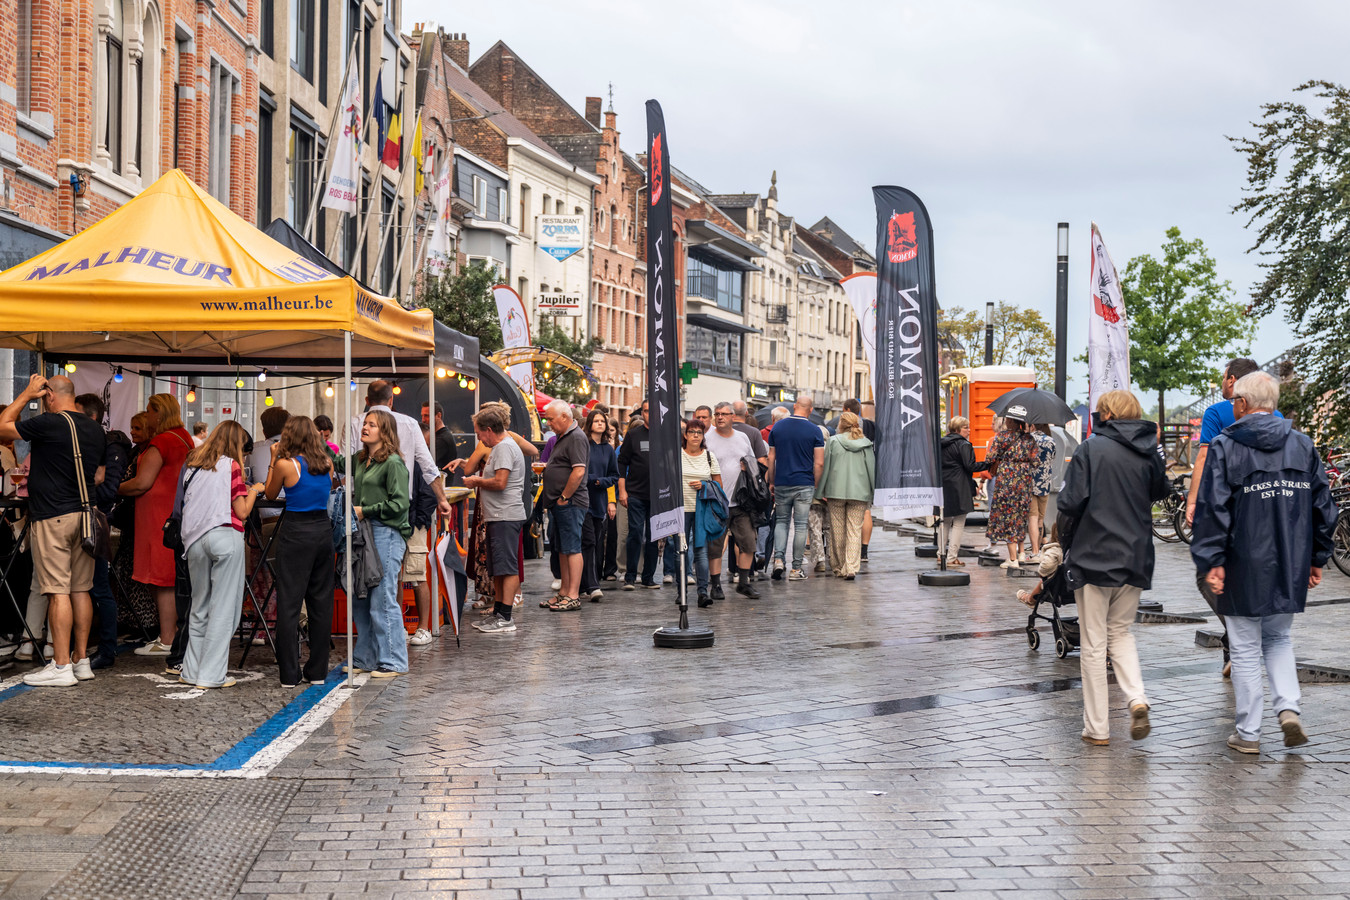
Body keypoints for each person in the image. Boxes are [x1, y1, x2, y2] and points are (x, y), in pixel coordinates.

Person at [1191, 372, 1338, 753]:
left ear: (1241, 402)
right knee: (1278, 638)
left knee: (1243, 647)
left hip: (1242, 560)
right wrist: (1317, 556)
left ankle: (1249, 733)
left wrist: (1212, 560)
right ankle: (1288, 707)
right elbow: (1324, 507)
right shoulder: (1302, 445)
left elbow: (1213, 508)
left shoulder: (1226, 446)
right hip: (1289, 559)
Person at [1056, 389, 1169, 747]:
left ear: (1105, 414)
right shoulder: (1149, 450)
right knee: (1121, 634)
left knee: (1092, 645)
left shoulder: (1091, 448)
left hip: (1093, 554)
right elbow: (1159, 491)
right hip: (1134, 554)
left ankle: (1097, 728)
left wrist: (1063, 542)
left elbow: (1071, 503)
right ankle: (1136, 697)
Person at [0, 375, 105, 687]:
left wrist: (25, 394)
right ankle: (81, 660)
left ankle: (60, 666)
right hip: (86, 516)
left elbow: (3, 425)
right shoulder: (94, 429)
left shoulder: (49, 422)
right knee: (81, 589)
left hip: (53, 516)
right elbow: (98, 475)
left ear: (49, 397)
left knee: (57, 590)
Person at [1185, 357, 1280, 675]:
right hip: (1265, 510)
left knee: (1207, 574)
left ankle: (1239, 637)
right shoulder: (1277, 416)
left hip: (1222, 506)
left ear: (1234, 381)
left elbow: (1203, 456)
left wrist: (1193, 501)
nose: (1223, 384)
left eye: (1224, 378)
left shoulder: (1216, 412)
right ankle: (1238, 641)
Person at [349, 381, 452, 642]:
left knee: (378, 578)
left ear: (366, 399)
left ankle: (391, 640)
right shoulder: (408, 424)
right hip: (401, 509)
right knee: (394, 575)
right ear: (391, 400)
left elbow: (346, 472)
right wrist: (442, 499)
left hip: (365, 511)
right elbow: (428, 466)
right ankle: (396, 638)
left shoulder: (355, 423)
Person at [178, 421, 264, 689]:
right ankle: (212, 675)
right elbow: (241, 511)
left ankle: (191, 670)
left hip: (194, 540)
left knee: (200, 606)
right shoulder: (232, 466)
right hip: (225, 536)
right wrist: (255, 491)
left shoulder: (193, 465)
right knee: (224, 609)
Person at [118, 392, 194, 656]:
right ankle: (169, 635)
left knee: (161, 579)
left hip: (156, 516)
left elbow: (142, 482)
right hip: (174, 513)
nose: (147, 415)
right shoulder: (184, 438)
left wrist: (112, 490)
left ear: (159, 413)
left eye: (150, 411)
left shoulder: (161, 441)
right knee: (168, 577)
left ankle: (167, 638)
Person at [265, 416, 336, 687]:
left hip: (295, 531)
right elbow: (326, 491)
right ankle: (317, 671)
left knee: (290, 602)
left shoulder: (286, 464)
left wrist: (273, 459)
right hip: (322, 530)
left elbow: (271, 494)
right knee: (320, 601)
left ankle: (289, 673)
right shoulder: (327, 464)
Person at [348, 409, 411, 677]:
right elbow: (338, 462)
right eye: (365, 423)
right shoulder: (363, 460)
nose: (365, 427)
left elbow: (400, 503)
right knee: (361, 597)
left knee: (382, 597)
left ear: (384, 432)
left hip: (386, 532)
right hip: (366, 533)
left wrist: (366, 510)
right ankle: (366, 657)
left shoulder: (393, 463)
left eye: (371, 424)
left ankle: (394, 660)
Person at [76, 393, 131, 670]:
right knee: (80, 588)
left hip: (96, 521)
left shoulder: (110, 446)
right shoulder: (89, 444)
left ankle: (107, 650)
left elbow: (108, 489)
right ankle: (80, 649)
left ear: (92, 417)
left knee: (98, 588)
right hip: (80, 517)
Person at [464, 405, 528, 634]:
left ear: (489, 430)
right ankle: (499, 613)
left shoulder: (503, 448)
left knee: (507, 568)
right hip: (499, 516)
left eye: (479, 433)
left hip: (505, 516)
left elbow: (500, 482)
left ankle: (506, 617)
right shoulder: (503, 447)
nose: (479, 438)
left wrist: (476, 481)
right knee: (499, 568)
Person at [705, 402, 762, 599]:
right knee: (716, 547)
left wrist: (748, 466)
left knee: (748, 542)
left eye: (724, 414)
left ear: (732, 417)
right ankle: (715, 585)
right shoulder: (707, 439)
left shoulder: (743, 437)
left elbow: (753, 461)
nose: (720, 417)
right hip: (717, 502)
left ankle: (744, 583)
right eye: (717, 414)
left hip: (741, 501)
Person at [767, 397, 825, 581]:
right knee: (800, 525)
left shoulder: (778, 427)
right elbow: (819, 463)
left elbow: (771, 457)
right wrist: (815, 483)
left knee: (782, 522)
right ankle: (796, 569)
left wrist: (771, 480)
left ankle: (778, 560)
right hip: (804, 482)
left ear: (794, 407)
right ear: (811, 409)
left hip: (782, 481)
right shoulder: (815, 431)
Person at [540, 400, 589, 611]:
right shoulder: (564, 436)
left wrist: (564, 496)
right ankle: (564, 593)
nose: (548, 423)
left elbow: (578, 471)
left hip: (571, 502)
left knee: (572, 548)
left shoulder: (576, 437)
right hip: (560, 502)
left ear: (564, 417)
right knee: (562, 549)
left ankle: (573, 595)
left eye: (551, 419)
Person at [815, 410, 875, 579]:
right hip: (859, 493)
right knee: (854, 530)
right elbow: (871, 469)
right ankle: (851, 568)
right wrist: (872, 491)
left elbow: (826, 468)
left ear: (840, 425)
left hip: (836, 492)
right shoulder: (866, 443)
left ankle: (839, 566)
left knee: (837, 530)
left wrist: (821, 491)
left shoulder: (833, 441)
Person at [982, 407, 1036, 568]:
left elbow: (991, 457)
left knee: (1007, 518)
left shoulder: (1002, 437)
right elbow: (1036, 461)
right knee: (1020, 516)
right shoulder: (1029, 439)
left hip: (1006, 480)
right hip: (1024, 481)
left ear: (1010, 421)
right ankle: (1021, 554)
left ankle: (1012, 559)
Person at [618, 398, 659, 590]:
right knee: (635, 533)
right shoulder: (633, 435)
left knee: (653, 536)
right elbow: (622, 462)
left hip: (659, 495)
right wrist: (622, 490)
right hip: (635, 493)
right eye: (645, 411)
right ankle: (630, 576)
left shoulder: (666, 435)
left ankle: (648, 577)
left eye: (652, 410)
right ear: (642, 413)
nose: (648, 414)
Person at [680, 419, 721, 606]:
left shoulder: (709, 457)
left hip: (701, 509)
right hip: (681, 509)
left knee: (701, 551)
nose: (695, 435)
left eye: (699, 432)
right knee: (679, 551)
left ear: (703, 436)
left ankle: (703, 592)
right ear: (685, 435)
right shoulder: (677, 455)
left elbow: (718, 485)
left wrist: (704, 485)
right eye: (692, 432)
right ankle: (681, 592)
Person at [580, 408, 618, 601]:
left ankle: (585, 582)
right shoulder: (583, 445)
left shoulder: (608, 449)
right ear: (589, 424)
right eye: (596, 421)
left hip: (599, 500)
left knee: (594, 541)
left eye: (602, 421)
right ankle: (592, 585)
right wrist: (593, 479)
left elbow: (614, 475)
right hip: (582, 498)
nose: (600, 424)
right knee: (588, 541)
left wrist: (600, 482)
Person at [939, 417, 981, 567]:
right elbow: (970, 466)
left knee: (944, 521)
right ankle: (951, 557)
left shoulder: (940, 443)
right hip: (959, 486)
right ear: (957, 429)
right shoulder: (963, 444)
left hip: (944, 485)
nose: (969, 430)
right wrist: (988, 464)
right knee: (958, 523)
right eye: (965, 428)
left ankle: (940, 554)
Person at [841, 398, 875, 560]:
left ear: (846, 410)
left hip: (844, 476)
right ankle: (864, 551)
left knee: (844, 513)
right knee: (865, 511)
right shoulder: (870, 426)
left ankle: (846, 550)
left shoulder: (839, 426)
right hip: (863, 476)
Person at [1028, 423, 1057, 561]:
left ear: (1033, 425)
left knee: (1032, 517)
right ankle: (1039, 550)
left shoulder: (1029, 439)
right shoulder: (1051, 441)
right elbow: (1052, 459)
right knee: (1040, 519)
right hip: (1045, 484)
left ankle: (1034, 551)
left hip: (1030, 483)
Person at [422, 401, 460, 471]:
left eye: (427, 416)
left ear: (439, 416)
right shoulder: (440, 436)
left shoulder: (443, 439)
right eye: (422, 416)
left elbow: (425, 463)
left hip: (442, 481)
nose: (423, 420)